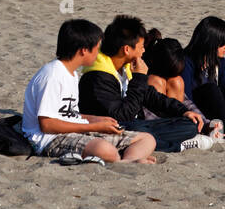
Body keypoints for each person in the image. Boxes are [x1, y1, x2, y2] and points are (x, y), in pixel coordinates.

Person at [21, 18, 156, 165]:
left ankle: (128, 160)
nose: (99, 54)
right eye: (96, 49)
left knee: (147, 139)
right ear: (84, 50)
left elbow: (69, 114)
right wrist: (94, 126)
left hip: (73, 130)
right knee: (106, 150)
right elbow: (47, 125)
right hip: (49, 139)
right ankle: (124, 161)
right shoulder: (52, 75)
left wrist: (96, 119)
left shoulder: (71, 74)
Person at [78, 15, 210, 152]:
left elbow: (152, 96)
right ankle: (178, 145)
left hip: (136, 124)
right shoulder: (98, 77)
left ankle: (163, 140)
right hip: (115, 129)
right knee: (136, 130)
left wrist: (183, 111)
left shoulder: (125, 66)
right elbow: (123, 116)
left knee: (189, 124)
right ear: (126, 49)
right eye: (141, 47)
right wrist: (139, 77)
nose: (144, 51)